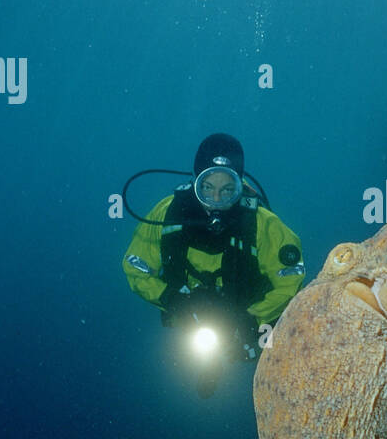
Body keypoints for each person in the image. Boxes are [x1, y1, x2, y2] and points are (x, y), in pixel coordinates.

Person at [122, 133, 304, 394]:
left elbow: (291, 276)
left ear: (239, 187)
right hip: (187, 313)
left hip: (244, 315)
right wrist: (171, 299)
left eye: (228, 190)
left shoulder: (262, 223)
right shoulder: (167, 214)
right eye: (207, 188)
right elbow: (134, 264)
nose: (216, 201)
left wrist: (252, 319)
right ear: (195, 181)